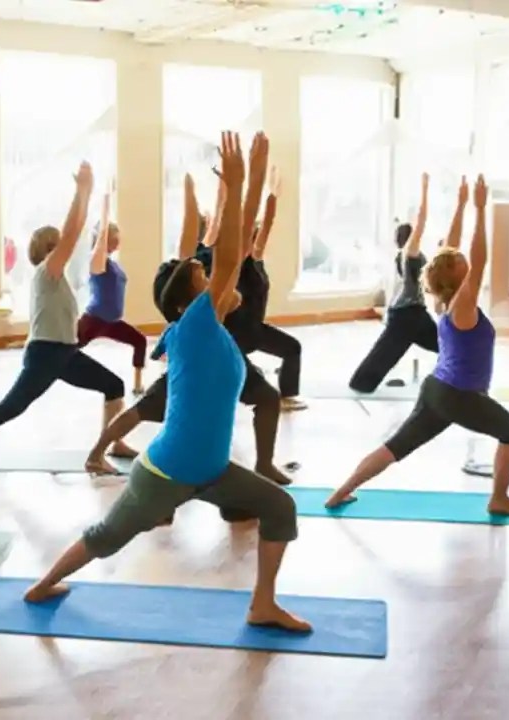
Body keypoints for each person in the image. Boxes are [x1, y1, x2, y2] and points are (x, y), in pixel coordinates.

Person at [24, 131, 310, 634]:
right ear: (192, 299)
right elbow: (230, 255)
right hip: (167, 472)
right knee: (107, 536)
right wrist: (243, 179)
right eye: (206, 279)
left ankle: (262, 603)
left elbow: (236, 253)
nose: (221, 281)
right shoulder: (197, 324)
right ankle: (44, 582)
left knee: (279, 507)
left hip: (213, 469)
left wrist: (253, 178)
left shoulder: (208, 328)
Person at [84, 134, 294, 487]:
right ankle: (98, 453)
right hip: (196, 367)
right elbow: (235, 237)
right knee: (145, 410)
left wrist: (247, 179)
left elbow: (238, 232)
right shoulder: (201, 306)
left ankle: (264, 464)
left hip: (227, 359)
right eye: (201, 274)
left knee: (267, 398)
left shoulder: (207, 283)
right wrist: (248, 178)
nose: (206, 272)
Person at [325, 175, 509, 516]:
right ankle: (499, 498)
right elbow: (477, 262)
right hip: (459, 395)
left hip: (437, 390)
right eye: (460, 264)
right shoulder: (462, 305)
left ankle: (341, 491)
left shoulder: (443, 301)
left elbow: (449, 254)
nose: (464, 259)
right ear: (457, 277)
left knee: (395, 448)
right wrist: (481, 211)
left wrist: (462, 206)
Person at [0, 162, 132, 468]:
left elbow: (74, 233)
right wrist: (82, 191)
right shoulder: (48, 270)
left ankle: (110, 446)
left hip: (65, 352)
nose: (65, 245)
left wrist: (87, 195)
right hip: (46, 354)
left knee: (113, 385)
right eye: (58, 242)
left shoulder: (53, 275)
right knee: (13, 406)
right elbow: (73, 231)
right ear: (50, 247)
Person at [349, 172, 440, 393]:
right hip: (408, 314)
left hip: (411, 313)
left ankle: (449, 381)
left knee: (446, 345)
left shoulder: (406, 256)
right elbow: (421, 221)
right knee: (446, 346)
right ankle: (361, 383)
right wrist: (425, 190)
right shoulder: (409, 253)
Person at [76, 181, 149, 396]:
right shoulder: (96, 261)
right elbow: (102, 237)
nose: (118, 242)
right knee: (66, 348)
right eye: (113, 238)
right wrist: (106, 201)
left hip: (112, 321)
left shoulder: (114, 263)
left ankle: (137, 384)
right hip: (94, 320)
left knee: (140, 341)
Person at [250, 166, 305, 411]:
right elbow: (266, 223)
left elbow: (263, 225)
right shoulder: (248, 257)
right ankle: (283, 395)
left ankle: (286, 394)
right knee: (291, 350)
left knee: (291, 349)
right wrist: (272, 194)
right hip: (242, 333)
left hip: (251, 328)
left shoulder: (256, 260)